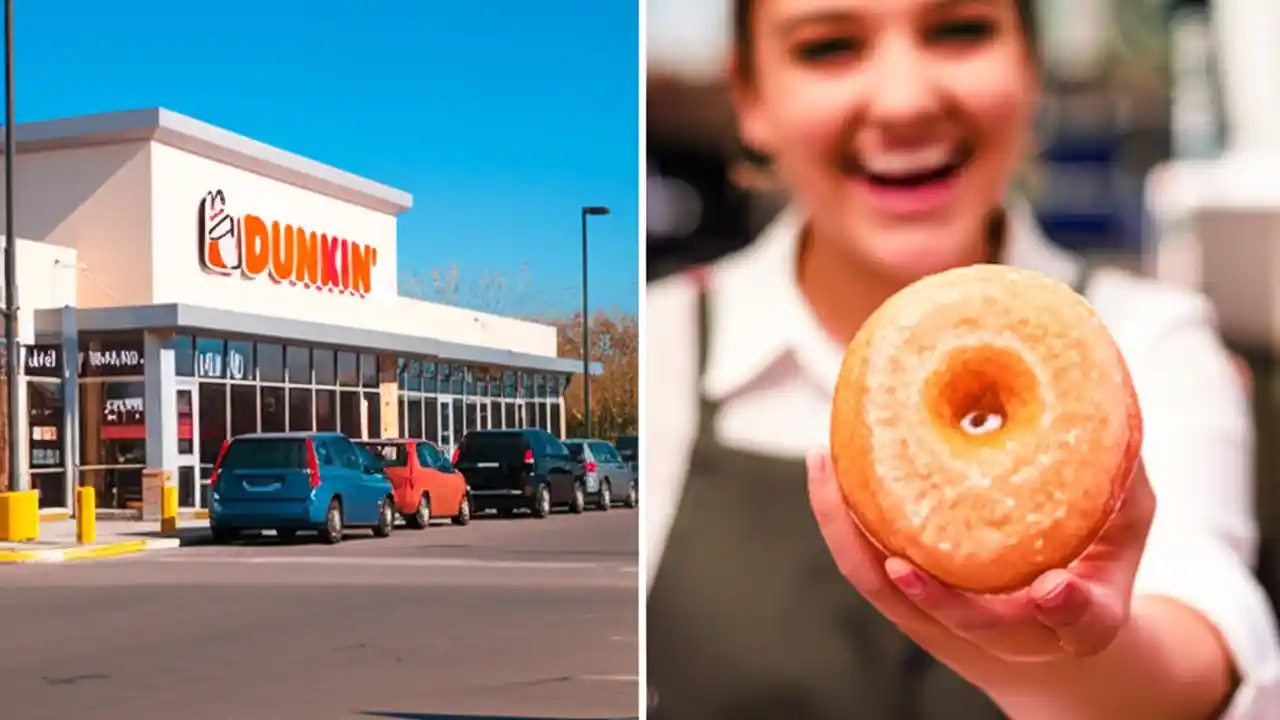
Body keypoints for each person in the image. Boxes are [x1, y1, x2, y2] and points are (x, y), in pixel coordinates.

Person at [644, 1, 1280, 718]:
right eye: (828, 47)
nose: (905, 100)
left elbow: (1210, 637)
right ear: (752, 100)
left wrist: (1070, 662)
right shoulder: (659, 351)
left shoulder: (1148, 345)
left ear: (1030, 70)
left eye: (959, 30)